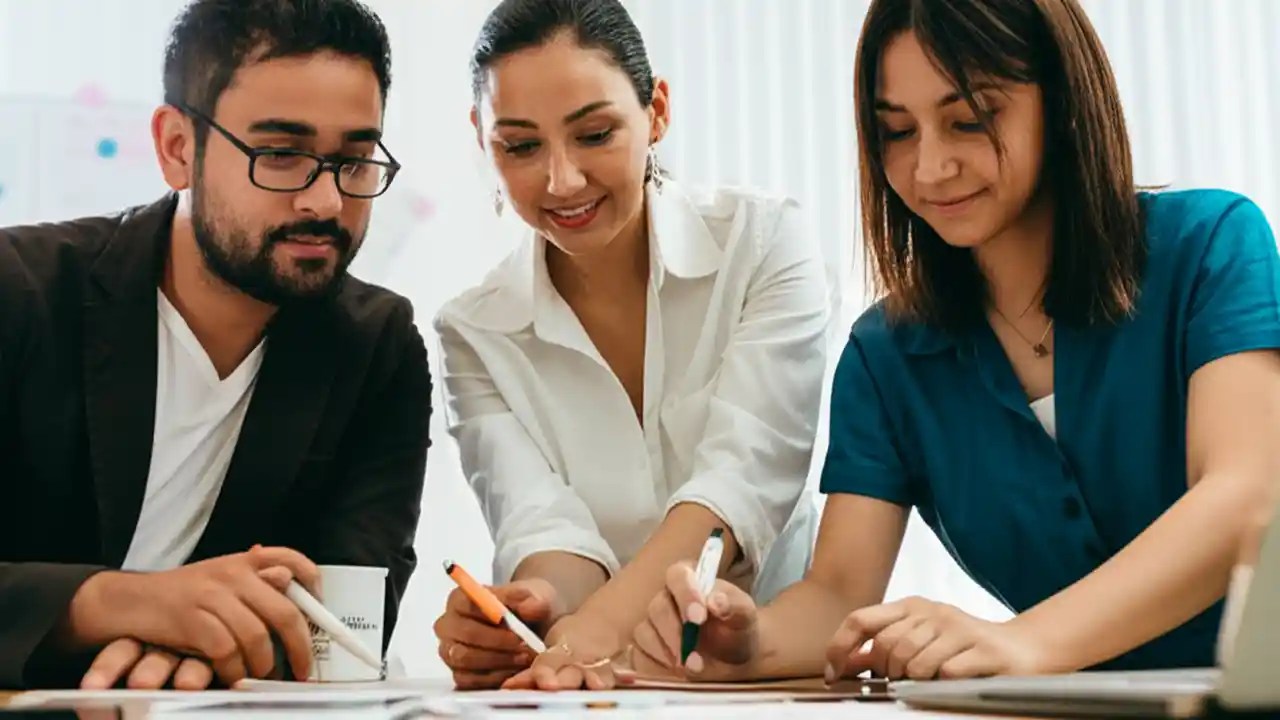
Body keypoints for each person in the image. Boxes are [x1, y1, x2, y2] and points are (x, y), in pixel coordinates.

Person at [631, 0, 1280, 685]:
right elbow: (838, 593)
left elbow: (1246, 495)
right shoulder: (885, 357)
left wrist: (1023, 642)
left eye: (969, 119)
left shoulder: (1211, 244)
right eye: (897, 131)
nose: (931, 166)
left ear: (1061, 103)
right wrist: (750, 642)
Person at [0, 0, 431, 691]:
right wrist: (122, 602)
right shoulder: (21, 293)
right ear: (177, 148)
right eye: (281, 155)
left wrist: (203, 648)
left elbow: (347, 619)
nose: (325, 202)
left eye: (354, 160)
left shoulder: (376, 347)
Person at [431, 0, 830, 691]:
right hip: (600, 688)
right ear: (481, 137)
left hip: (769, 680)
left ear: (658, 112)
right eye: (521, 146)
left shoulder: (763, 247)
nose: (562, 180)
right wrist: (537, 610)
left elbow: (738, 484)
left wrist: (590, 629)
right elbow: (545, 529)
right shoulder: (473, 332)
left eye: (595, 133)